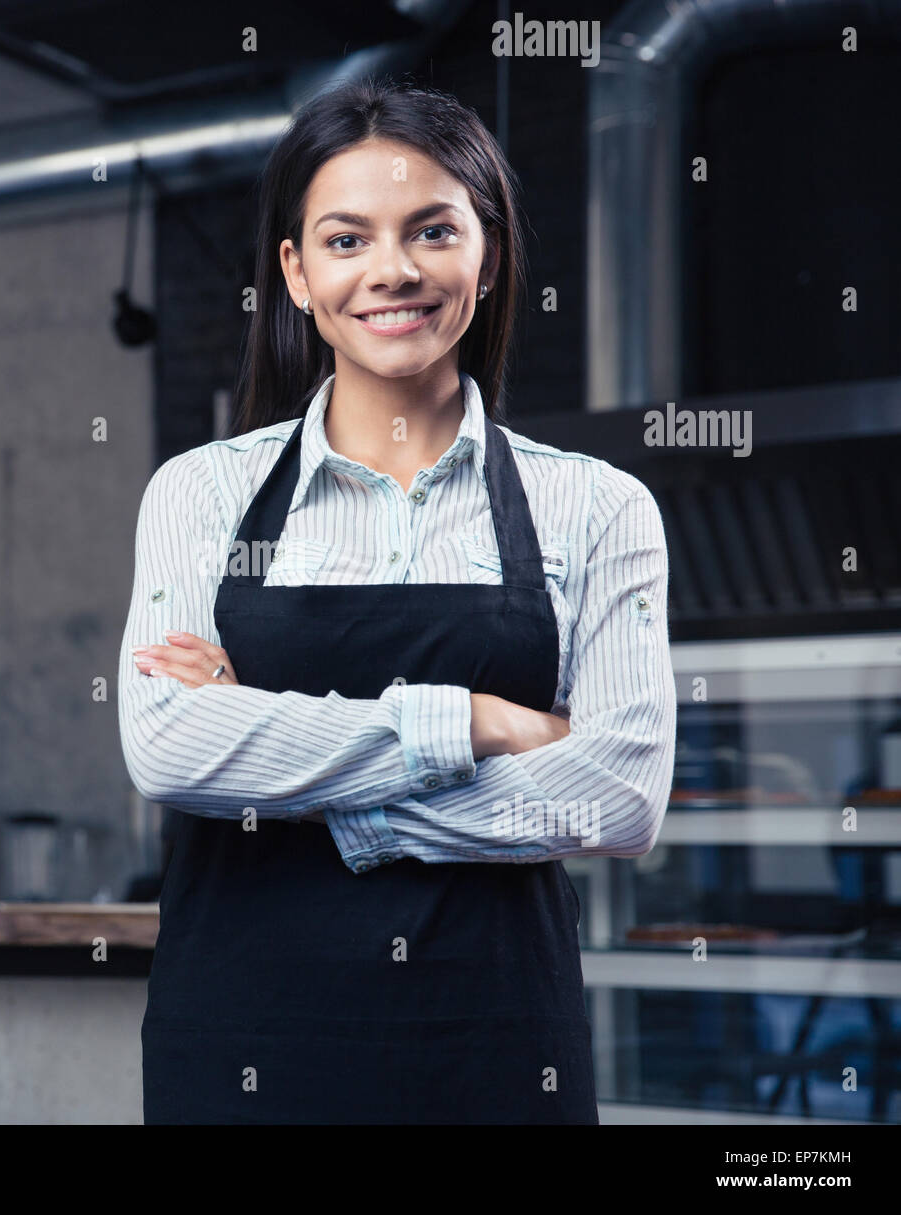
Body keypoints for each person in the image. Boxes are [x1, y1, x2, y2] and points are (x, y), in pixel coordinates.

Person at [117, 75, 676, 1124]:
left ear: (489, 254)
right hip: (245, 1041)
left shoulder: (595, 506)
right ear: (293, 272)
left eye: (431, 231)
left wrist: (312, 783)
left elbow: (617, 796)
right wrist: (478, 722)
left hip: (496, 1043)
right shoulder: (200, 493)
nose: (391, 271)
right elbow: (168, 749)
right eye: (344, 240)